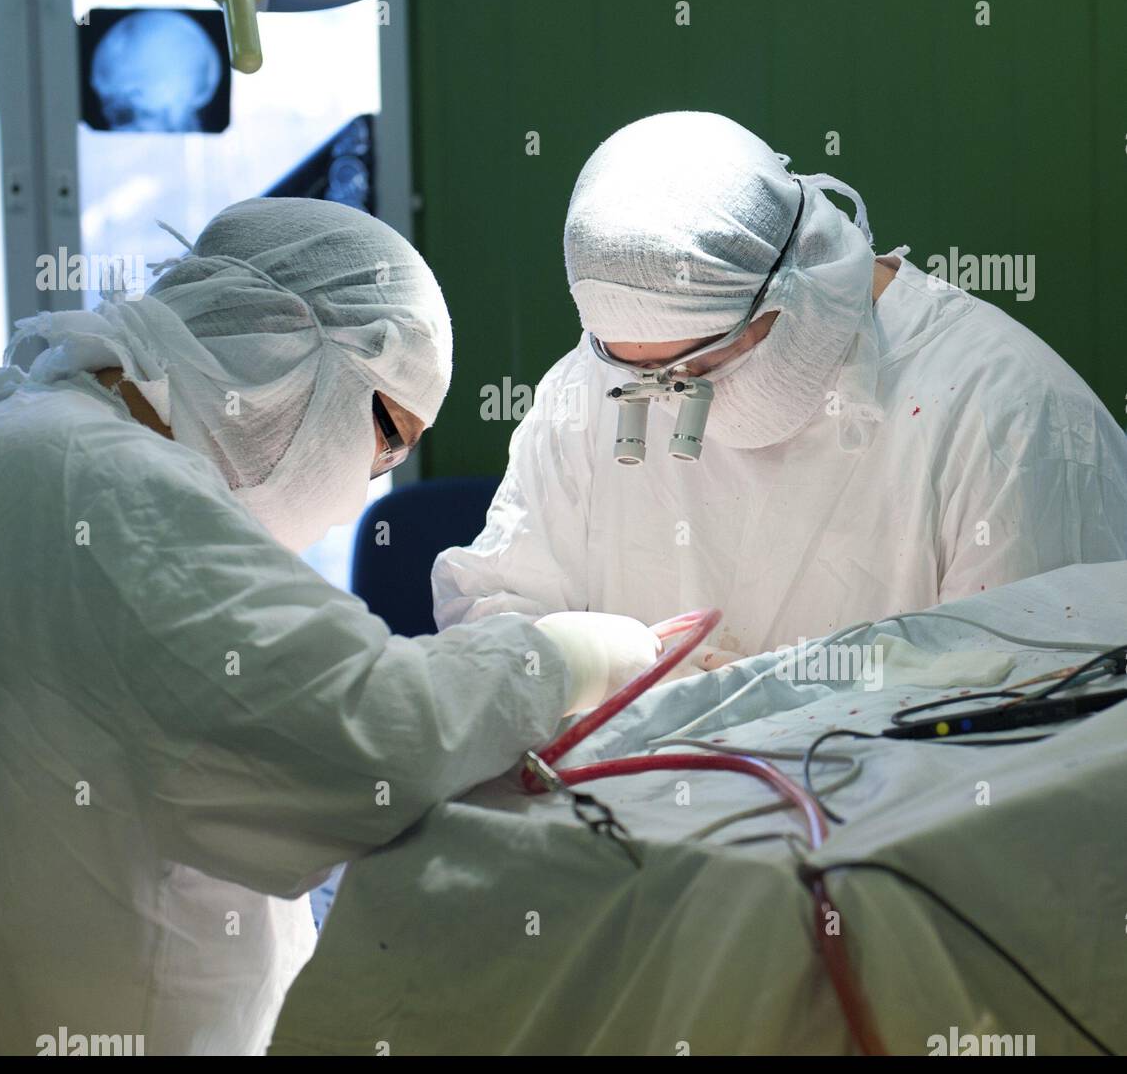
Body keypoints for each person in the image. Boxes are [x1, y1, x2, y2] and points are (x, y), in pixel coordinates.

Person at [0, 197, 657, 1055]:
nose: (368, 482)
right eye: (386, 435)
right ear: (281, 342)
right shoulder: (107, 486)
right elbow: (376, 736)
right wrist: (567, 653)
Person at [433, 111, 1127, 666]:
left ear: (797, 293)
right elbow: (500, 617)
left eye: (696, 373)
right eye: (638, 376)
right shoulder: (593, 391)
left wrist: (772, 716)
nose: (669, 403)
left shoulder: (1007, 415)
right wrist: (587, 678)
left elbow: (1035, 705)